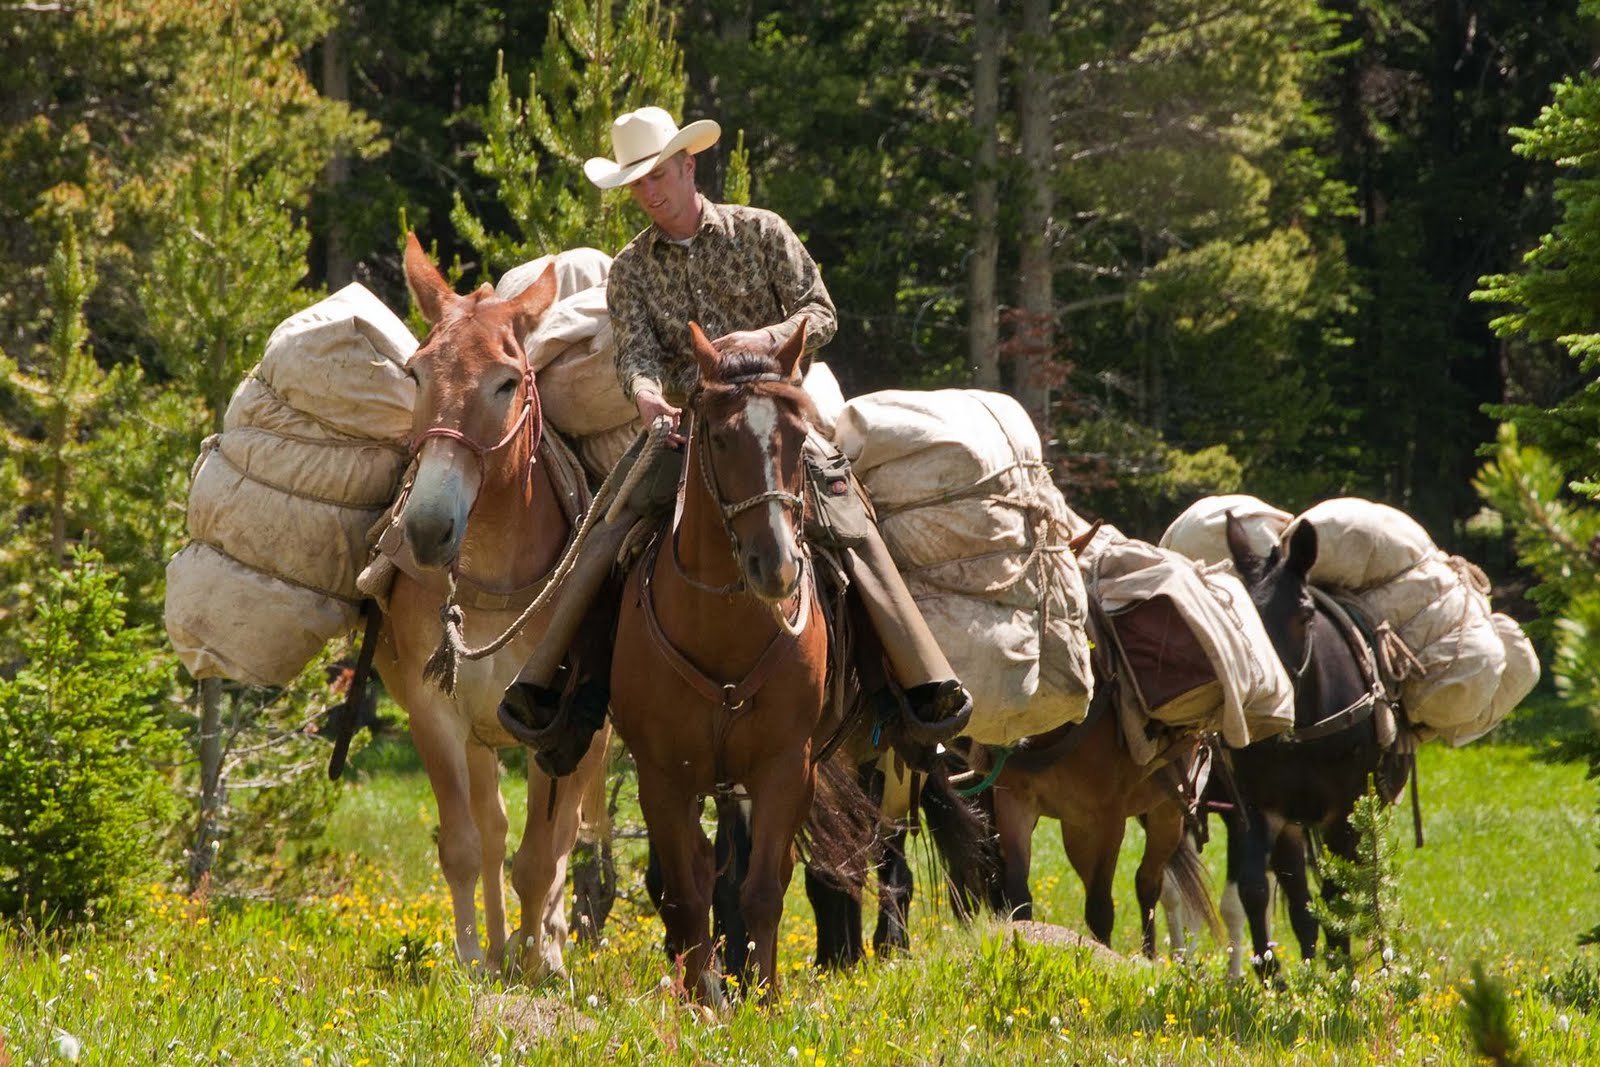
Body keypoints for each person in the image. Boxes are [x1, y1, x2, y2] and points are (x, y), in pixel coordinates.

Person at [499, 106, 971, 775]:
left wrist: (768, 339)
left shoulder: (761, 232)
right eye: (638, 184)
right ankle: (563, 696)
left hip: (776, 420)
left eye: (659, 175)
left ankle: (914, 694)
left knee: (852, 521)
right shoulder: (631, 270)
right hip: (695, 429)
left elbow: (821, 311)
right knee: (612, 529)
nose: (651, 193)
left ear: (688, 166)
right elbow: (635, 353)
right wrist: (643, 394)